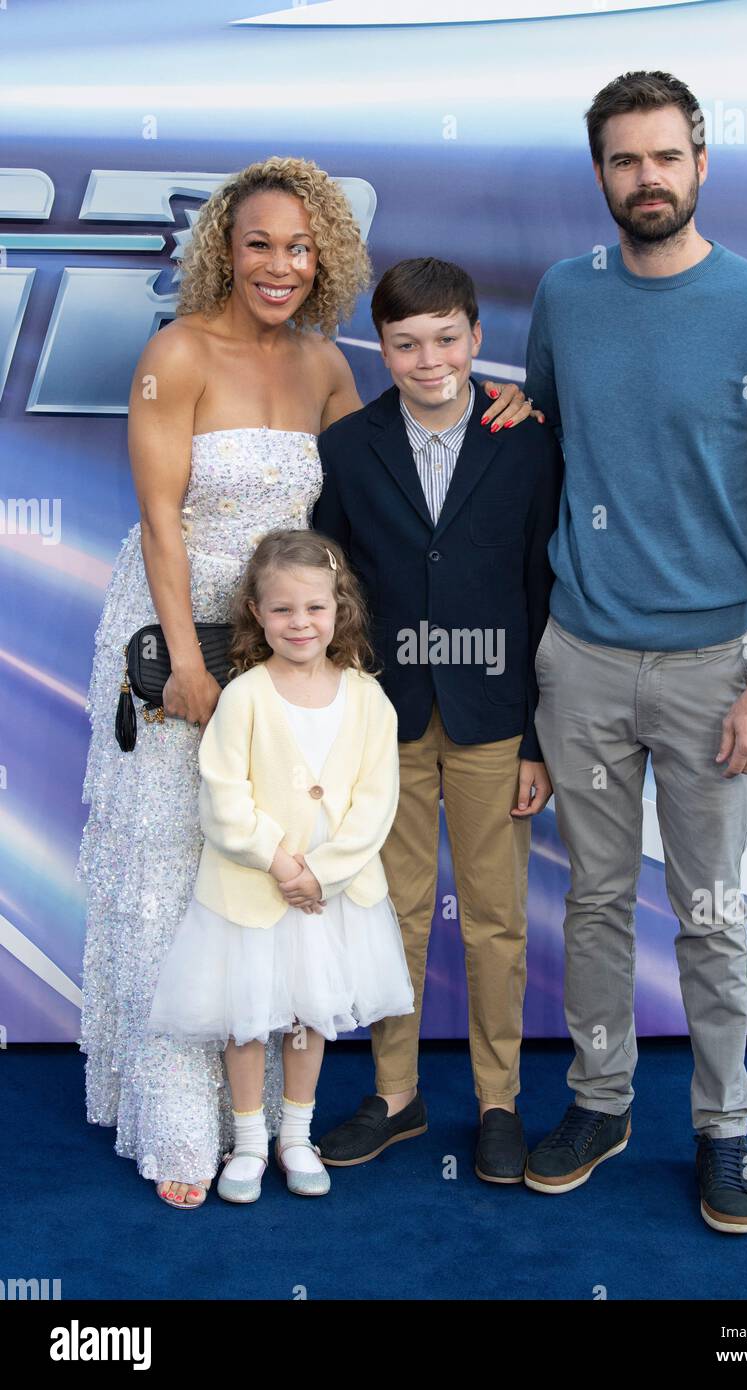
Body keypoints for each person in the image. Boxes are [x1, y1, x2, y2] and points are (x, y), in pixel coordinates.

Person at [76, 155, 527, 1211]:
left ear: (320, 255)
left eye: (299, 246)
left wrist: (491, 404)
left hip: (293, 657)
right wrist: (190, 659)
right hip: (182, 644)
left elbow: (383, 466)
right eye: (259, 244)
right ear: (223, 251)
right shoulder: (177, 352)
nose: (279, 264)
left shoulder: (328, 365)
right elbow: (157, 521)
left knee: (259, 871)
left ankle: (272, 1123)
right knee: (177, 869)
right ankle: (180, 1121)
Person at [522, 71, 747, 1231]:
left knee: (708, 910)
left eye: (664, 157)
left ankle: (723, 1128)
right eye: (621, 161)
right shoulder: (563, 294)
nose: (644, 179)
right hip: (582, 659)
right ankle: (600, 1100)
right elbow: (543, 443)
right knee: (595, 902)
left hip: (714, 670)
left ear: (702, 164)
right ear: (598, 173)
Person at [313, 257, 563, 1183]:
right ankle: (396, 1094)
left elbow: (542, 589)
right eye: (405, 343)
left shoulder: (527, 439)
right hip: (388, 718)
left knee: (496, 917)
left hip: (495, 716)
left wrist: (538, 736)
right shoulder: (346, 447)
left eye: (446, 339)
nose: (428, 360)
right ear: (377, 346)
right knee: (394, 913)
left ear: (476, 338)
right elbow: (335, 595)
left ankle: (498, 1100)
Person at [146, 530, 413, 1202]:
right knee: (245, 1015)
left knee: (307, 1013)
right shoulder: (245, 697)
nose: (300, 623)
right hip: (250, 892)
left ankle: (296, 1136)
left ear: (338, 609)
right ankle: (247, 1143)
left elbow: (375, 803)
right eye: (283, 610)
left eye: (314, 608)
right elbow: (223, 797)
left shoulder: (367, 699)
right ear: (257, 615)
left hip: (329, 896)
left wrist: (322, 872)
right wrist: (280, 863)